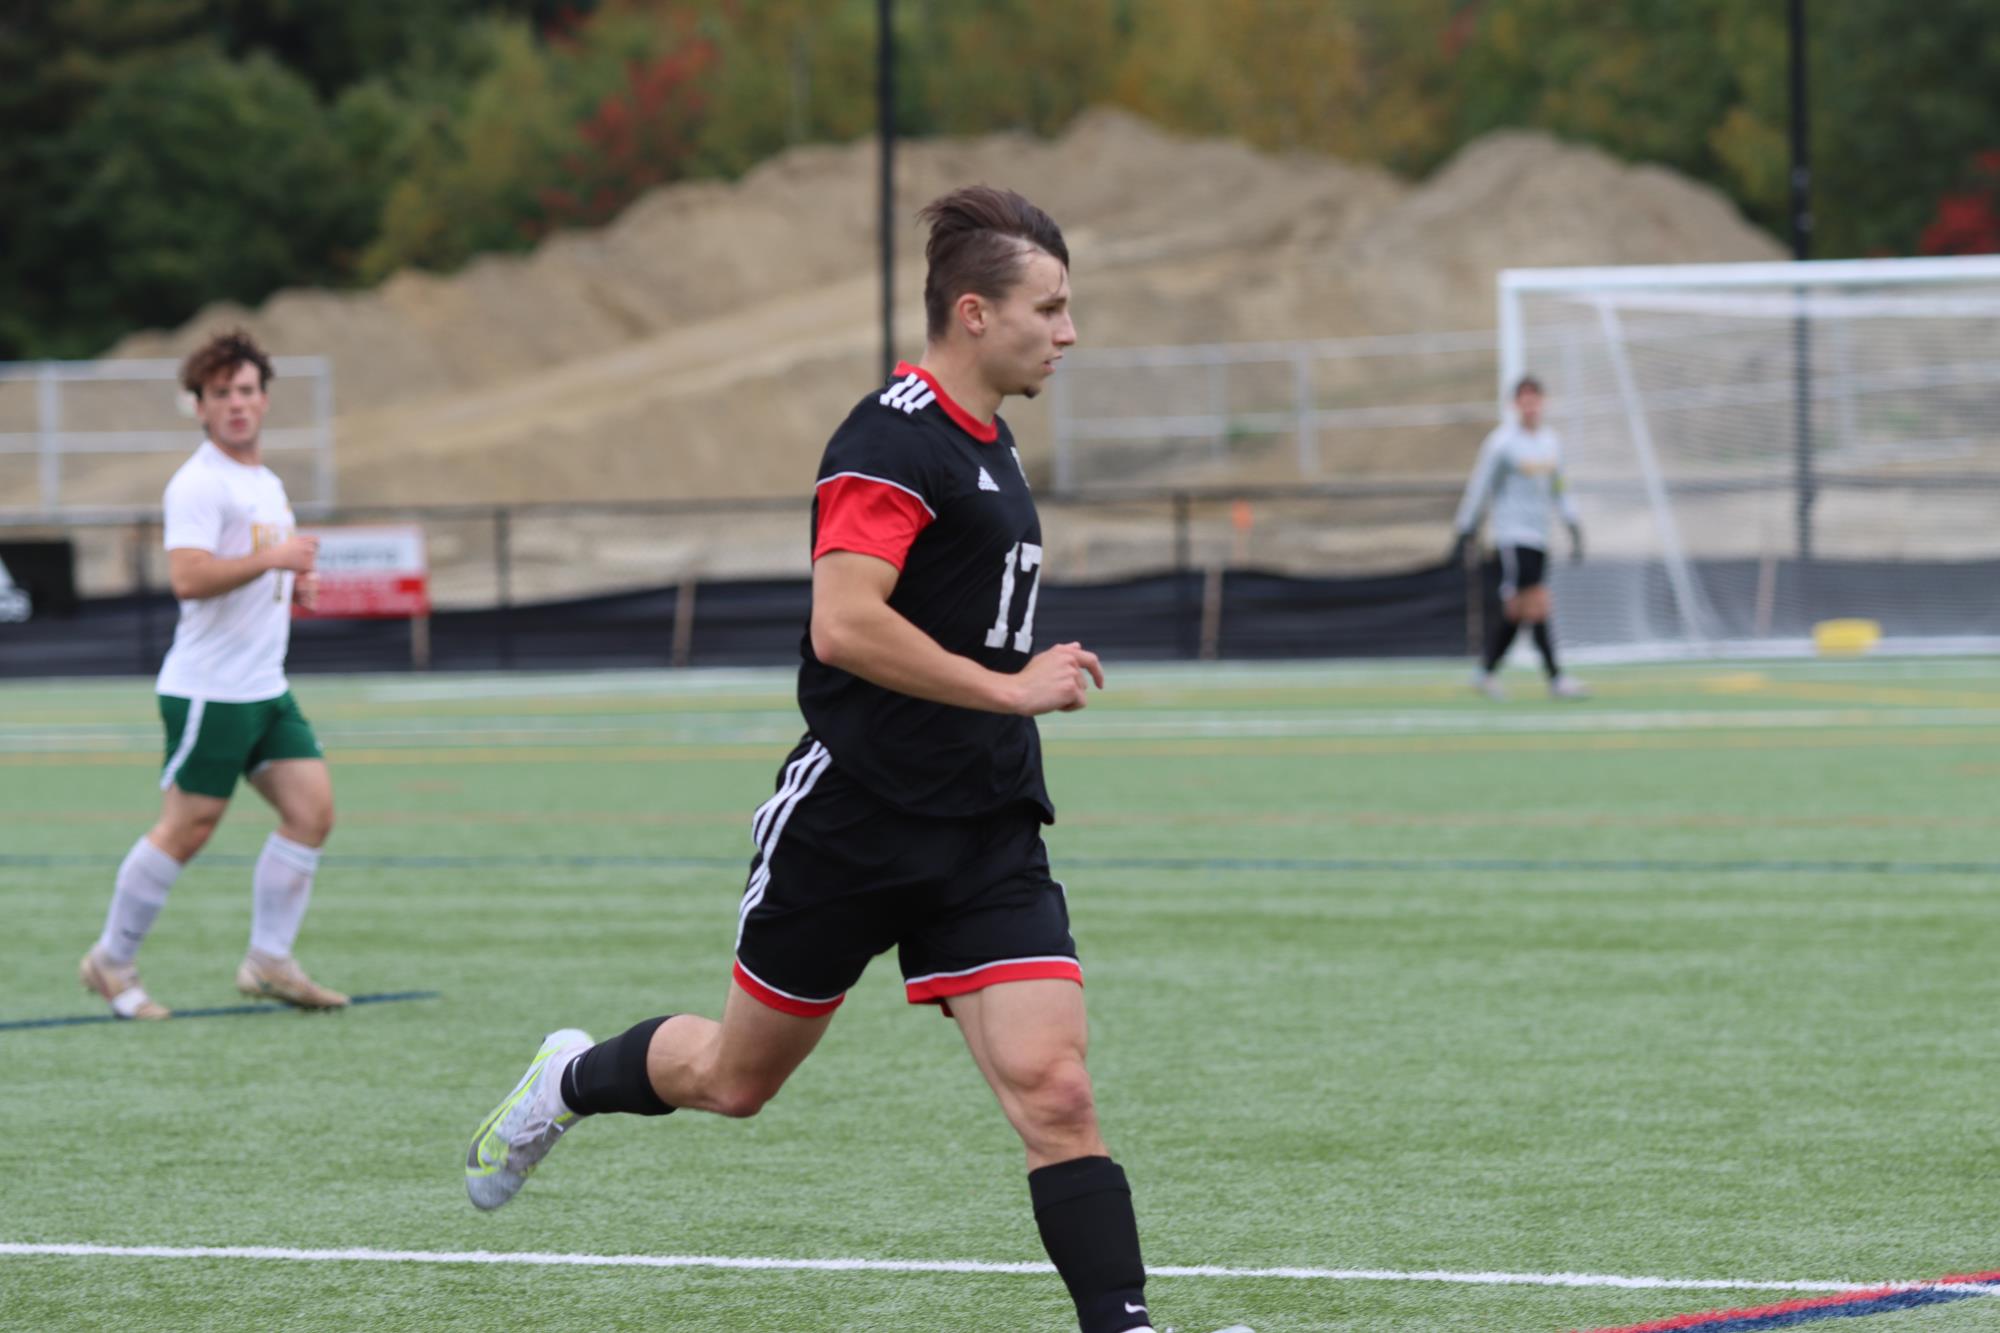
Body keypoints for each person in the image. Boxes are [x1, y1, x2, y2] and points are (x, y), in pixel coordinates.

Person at [462, 187, 1249, 1333]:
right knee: (737, 1080)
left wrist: (1005, 691)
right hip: (856, 816)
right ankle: (567, 1080)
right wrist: (1008, 685)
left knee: (1056, 1087)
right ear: (973, 313)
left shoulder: (991, 437)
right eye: (1051, 308)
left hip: (982, 824)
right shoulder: (888, 436)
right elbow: (844, 623)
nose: (1068, 332)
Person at [78, 330, 348, 1019]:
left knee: (311, 813)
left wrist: (295, 584)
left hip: (264, 687)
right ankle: (110, 961)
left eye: (248, 390)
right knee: (187, 828)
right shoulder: (197, 482)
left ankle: (268, 960)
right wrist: (275, 562)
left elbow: (261, 565)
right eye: (221, 392)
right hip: (210, 690)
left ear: (264, 399)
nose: (237, 404)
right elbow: (189, 577)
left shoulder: (264, 481)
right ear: (197, 405)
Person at [1451, 375, 1589, 700]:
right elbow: (1480, 487)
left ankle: (1485, 673)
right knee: (1538, 602)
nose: (1530, 406)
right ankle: (1556, 679)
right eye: (1524, 400)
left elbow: (1560, 488)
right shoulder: (1501, 444)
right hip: (1512, 536)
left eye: (1535, 399)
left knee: (1517, 610)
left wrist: (1573, 525)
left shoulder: (1551, 443)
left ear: (1543, 403)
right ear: (1514, 405)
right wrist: (1466, 527)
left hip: (1540, 537)